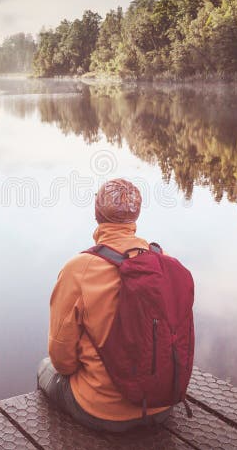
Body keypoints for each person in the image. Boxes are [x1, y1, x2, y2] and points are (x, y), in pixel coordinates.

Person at [37, 178, 173, 432]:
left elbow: (62, 361)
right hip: (161, 404)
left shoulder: (79, 269)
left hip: (102, 411)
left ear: (96, 212)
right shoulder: (161, 259)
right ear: (136, 214)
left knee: (46, 367)